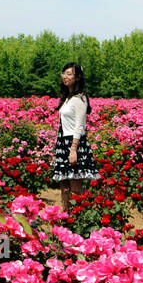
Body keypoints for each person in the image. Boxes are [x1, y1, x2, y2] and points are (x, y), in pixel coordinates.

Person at [51, 62, 100, 213]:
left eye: (69, 74)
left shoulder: (80, 98)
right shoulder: (67, 98)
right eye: (63, 73)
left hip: (74, 143)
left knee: (75, 186)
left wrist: (73, 149)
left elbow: (79, 126)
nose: (65, 77)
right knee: (63, 186)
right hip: (63, 142)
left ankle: (79, 216)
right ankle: (66, 215)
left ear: (78, 77)